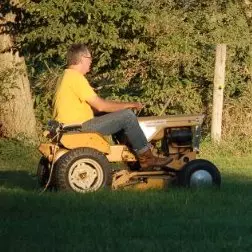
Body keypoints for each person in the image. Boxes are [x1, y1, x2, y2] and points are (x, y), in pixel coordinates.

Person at [53, 43, 173, 171]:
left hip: (68, 127)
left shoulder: (65, 76)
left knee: (119, 116)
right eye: (90, 58)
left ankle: (133, 158)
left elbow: (94, 107)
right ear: (82, 58)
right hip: (78, 128)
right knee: (127, 116)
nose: (91, 62)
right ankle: (148, 158)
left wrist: (118, 107)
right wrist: (129, 105)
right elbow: (100, 106)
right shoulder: (76, 78)